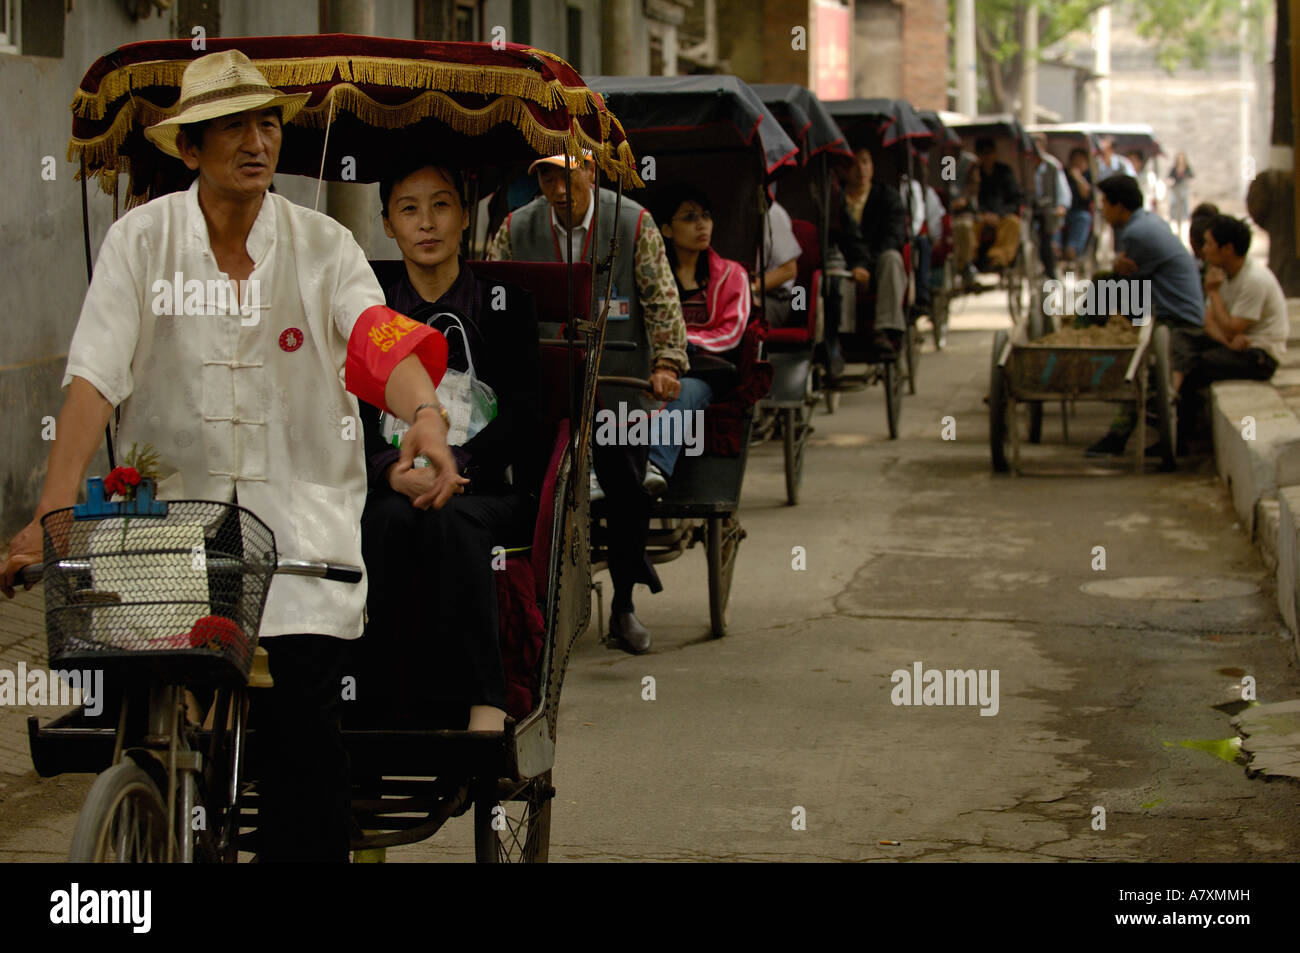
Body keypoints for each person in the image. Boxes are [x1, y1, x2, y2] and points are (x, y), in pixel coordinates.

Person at [0, 51, 458, 862]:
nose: (258, 140)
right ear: (189, 150)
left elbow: (374, 337)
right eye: (235, 127)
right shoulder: (141, 242)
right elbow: (94, 380)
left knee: (304, 738)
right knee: (132, 697)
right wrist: (50, 506)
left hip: (299, 531)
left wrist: (422, 410)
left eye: (268, 122)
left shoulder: (324, 244)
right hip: (169, 531)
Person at [356, 158, 543, 732]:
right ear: (388, 224)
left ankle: (485, 700)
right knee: (383, 521)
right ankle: (380, 705)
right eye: (408, 209)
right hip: (395, 481)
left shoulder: (505, 305)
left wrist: (458, 463)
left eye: (441, 205)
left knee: (453, 521)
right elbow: (351, 416)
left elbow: (525, 415)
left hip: (487, 486)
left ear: (465, 216)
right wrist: (389, 469)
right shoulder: (372, 308)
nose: (427, 223)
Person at [486, 151, 690, 655]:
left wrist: (665, 364)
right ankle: (529, 603)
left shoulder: (633, 223)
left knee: (627, 486)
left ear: (591, 172)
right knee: (527, 484)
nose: (559, 187)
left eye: (568, 173)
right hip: (546, 384)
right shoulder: (516, 228)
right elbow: (492, 300)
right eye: (548, 177)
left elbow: (662, 301)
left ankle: (623, 606)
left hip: (619, 381)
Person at [1084, 175, 1205, 459]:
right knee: (1104, 284)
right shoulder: (1147, 222)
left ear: (1120, 206)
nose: (1102, 210)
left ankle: (1082, 341)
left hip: (1177, 320)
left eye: (1105, 204)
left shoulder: (1137, 234)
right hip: (1164, 309)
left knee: (1137, 370)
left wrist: (1112, 274)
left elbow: (1125, 276)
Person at [649, 182, 750, 485]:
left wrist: (682, 346)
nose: (702, 224)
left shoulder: (733, 274)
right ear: (666, 229)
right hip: (655, 365)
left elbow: (731, 333)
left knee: (685, 392)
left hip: (707, 370)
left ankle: (653, 465)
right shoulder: (654, 276)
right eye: (690, 217)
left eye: (706, 216)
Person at [1175, 215, 1287, 399]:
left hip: (1260, 355)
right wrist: (1227, 343)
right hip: (1234, 344)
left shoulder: (1254, 279)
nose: (1204, 250)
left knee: (1201, 363)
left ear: (1227, 249)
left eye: (1209, 244)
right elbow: (1208, 320)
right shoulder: (1223, 273)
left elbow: (1233, 327)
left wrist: (1212, 292)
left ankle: (1180, 411)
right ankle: (1173, 398)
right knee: (1182, 338)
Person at [831, 145, 908, 363]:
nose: (860, 169)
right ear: (844, 169)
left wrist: (866, 266)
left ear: (872, 167)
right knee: (834, 272)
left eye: (865, 162)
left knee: (892, 258)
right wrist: (856, 265)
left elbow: (894, 236)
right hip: (846, 265)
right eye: (853, 164)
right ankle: (837, 337)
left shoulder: (887, 198)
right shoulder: (835, 200)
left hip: (878, 264)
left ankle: (886, 329)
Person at [952, 137, 1024, 286]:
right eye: (983, 153)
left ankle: (998, 259)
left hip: (1002, 216)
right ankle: (968, 264)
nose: (986, 157)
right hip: (978, 217)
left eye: (989, 153)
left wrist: (999, 214)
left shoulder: (1005, 172)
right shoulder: (971, 173)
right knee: (963, 226)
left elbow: (1015, 199)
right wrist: (981, 214)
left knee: (1014, 224)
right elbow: (966, 198)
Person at [752, 196, 803, 329]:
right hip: (735, 294)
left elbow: (789, 270)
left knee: (743, 315)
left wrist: (748, 289)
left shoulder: (772, 212)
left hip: (774, 298)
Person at [1031, 133, 1070, 280]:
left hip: (1048, 212)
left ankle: (1051, 272)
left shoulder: (1052, 166)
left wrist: (1061, 206)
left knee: (1047, 237)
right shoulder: (1023, 164)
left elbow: (1063, 191)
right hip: (1030, 210)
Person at [1062, 146, 1093, 265]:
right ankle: (1056, 248)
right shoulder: (1063, 174)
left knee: (1083, 218)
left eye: (1081, 160)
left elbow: (1087, 195)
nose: (1077, 163)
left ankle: (1072, 249)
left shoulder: (1088, 175)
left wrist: (1078, 178)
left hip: (1080, 211)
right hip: (1064, 210)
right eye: (1075, 160)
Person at [1168, 152, 1194, 238]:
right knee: (1175, 210)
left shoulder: (1187, 169)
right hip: (1175, 192)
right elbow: (1169, 178)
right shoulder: (1174, 169)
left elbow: (1191, 177)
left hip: (1183, 191)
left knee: (1184, 211)